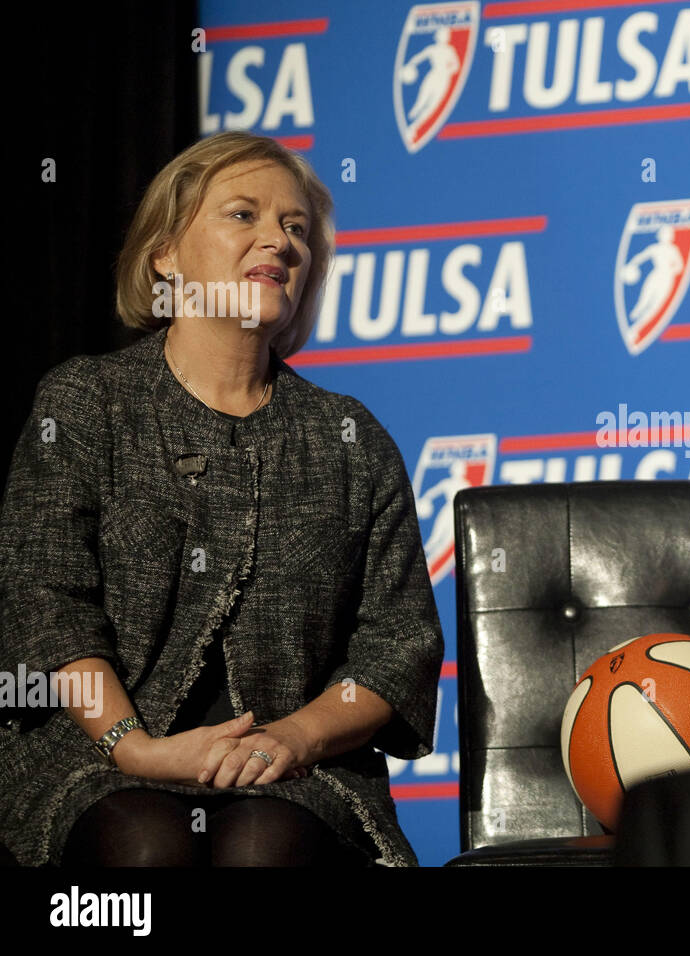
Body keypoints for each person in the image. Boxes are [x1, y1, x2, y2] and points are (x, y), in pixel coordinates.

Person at [0, 131, 444, 865]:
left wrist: (293, 738)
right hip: (97, 761)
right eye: (243, 215)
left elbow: (398, 646)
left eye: (296, 228)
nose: (279, 240)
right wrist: (134, 747)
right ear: (165, 255)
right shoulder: (86, 403)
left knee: (261, 848)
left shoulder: (349, 437)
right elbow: (47, 608)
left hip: (300, 774)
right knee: (142, 843)